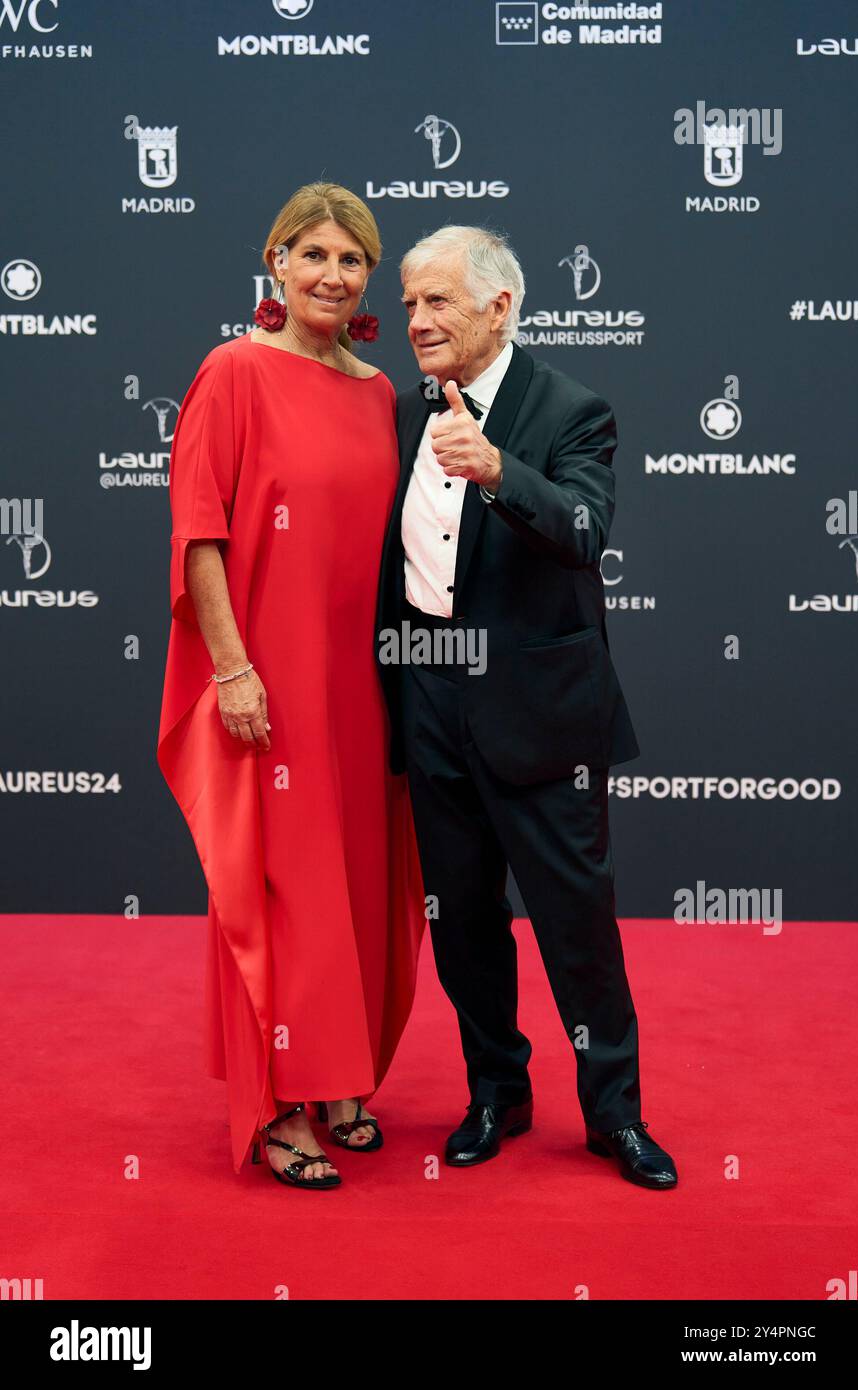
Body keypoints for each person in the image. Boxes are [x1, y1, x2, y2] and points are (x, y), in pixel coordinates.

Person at [375, 225, 677, 1189]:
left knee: (575, 922)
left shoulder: (573, 410)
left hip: (541, 713)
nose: (417, 320)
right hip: (429, 697)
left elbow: (585, 531)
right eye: (411, 302)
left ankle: (614, 1115)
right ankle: (496, 1092)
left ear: (500, 308)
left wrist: (501, 472)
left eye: (439, 303)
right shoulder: (395, 413)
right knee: (462, 921)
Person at [157, 182, 426, 1189]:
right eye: (310, 252)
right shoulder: (232, 371)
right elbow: (200, 536)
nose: (330, 273)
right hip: (269, 682)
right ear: (274, 261)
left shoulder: (374, 392)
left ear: (368, 278)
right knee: (284, 891)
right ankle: (277, 1108)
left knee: (357, 879)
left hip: (366, 685)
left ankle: (342, 1076)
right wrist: (232, 667)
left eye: (350, 258)